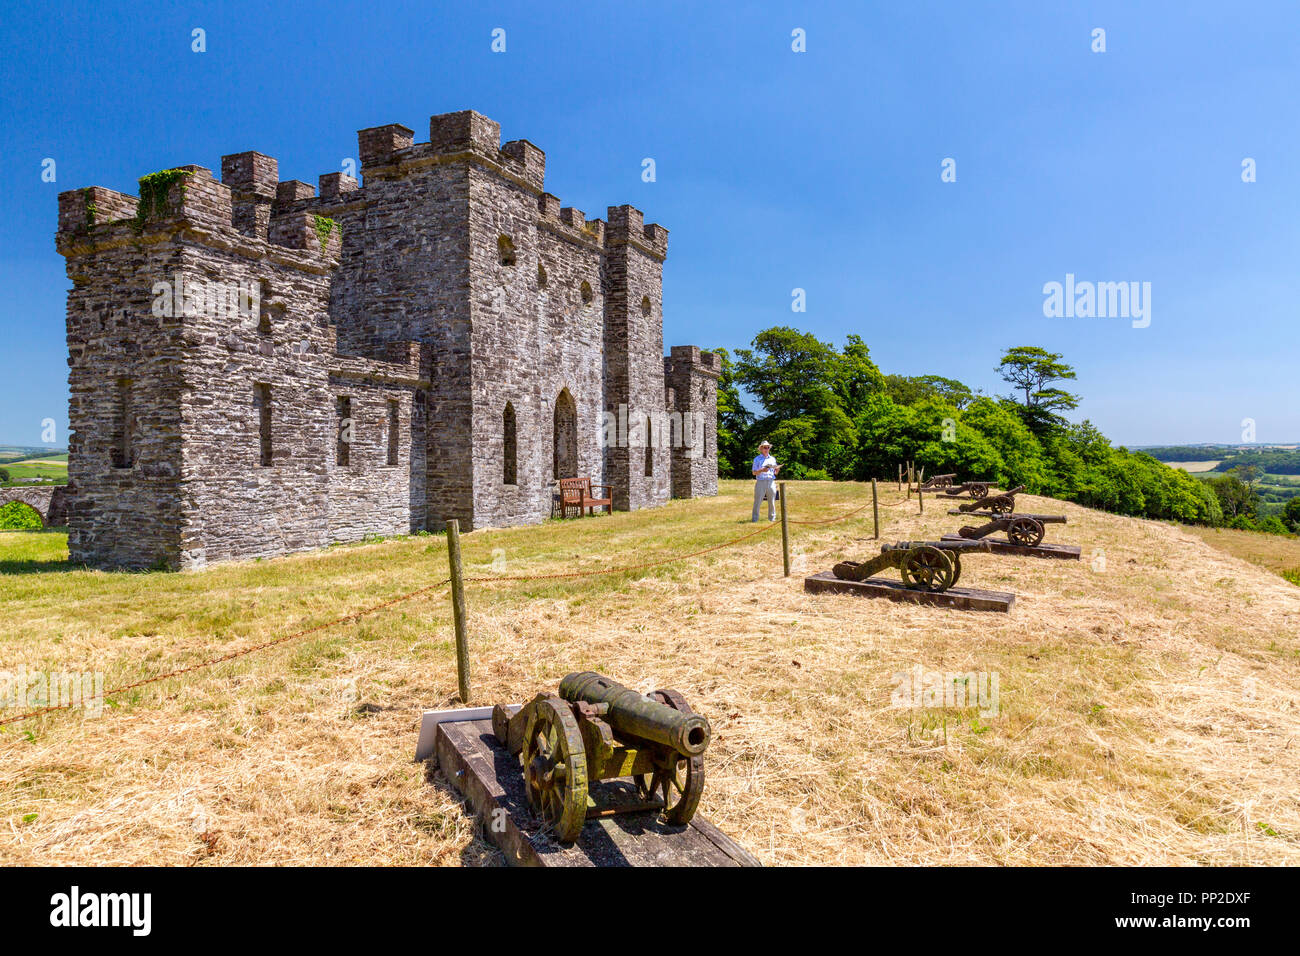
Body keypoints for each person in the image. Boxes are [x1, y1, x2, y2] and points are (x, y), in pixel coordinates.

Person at [751, 441, 781, 522]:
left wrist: (777, 470)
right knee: (758, 501)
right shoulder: (757, 459)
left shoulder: (772, 459)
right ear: (761, 448)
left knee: (772, 501)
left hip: (771, 481)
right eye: (765, 447)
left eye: (768, 447)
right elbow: (754, 472)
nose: (766, 449)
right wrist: (762, 470)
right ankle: (755, 519)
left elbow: (775, 473)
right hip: (761, 482)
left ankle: (772, 519)